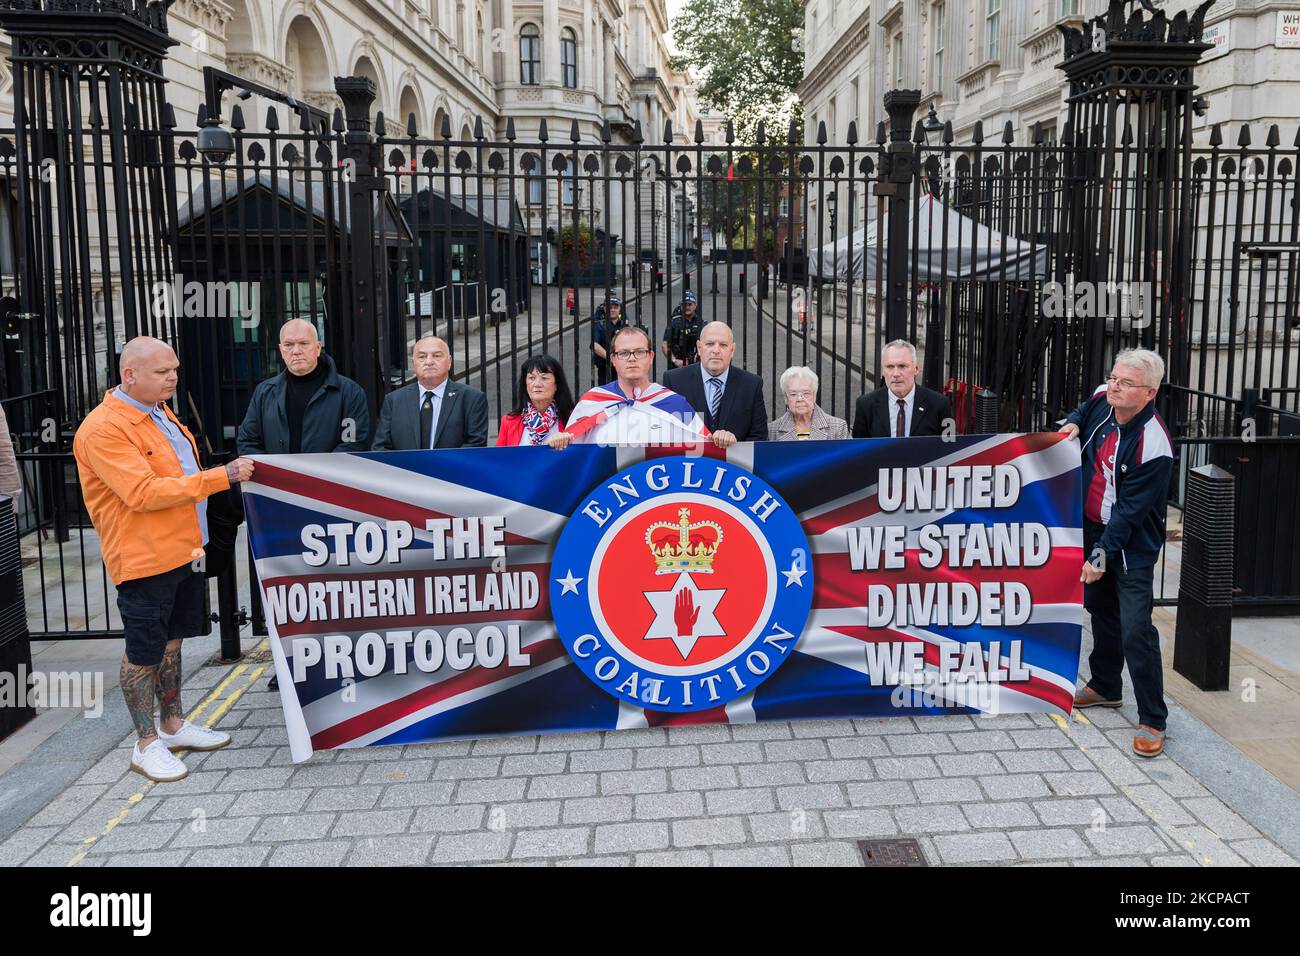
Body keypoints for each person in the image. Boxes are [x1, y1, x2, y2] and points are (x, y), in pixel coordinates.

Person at [73, 337, 255, 782]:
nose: (172, 377)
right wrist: (223, 476)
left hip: (184, 549)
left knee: (174, 641)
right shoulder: (104, 428)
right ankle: (145, 744)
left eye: (174, 369)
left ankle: (173, 726)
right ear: (129, 375)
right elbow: (142, 493)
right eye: (161, 372)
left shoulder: (160, 411)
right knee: (143, 652)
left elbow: (180, 473)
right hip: (143, 557)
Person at [1060, 348, 1174, 758]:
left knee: (1135, 627)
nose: (1114, 386)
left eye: (1126, 383)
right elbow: (1081, 408)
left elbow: (1129, 513)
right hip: (1091, 526)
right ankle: (1106, 685)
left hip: (1129, 544)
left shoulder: (1153, 444)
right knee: (1099, 608)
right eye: (1114, 377)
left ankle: (1153, 719)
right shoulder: (1101, 399)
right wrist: (1074, 424)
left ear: (1148, 393)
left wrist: (1101, 556)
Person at [552, 325, 723, 448]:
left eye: (639, 352)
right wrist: (559, 443)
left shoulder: (674, 403)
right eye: (624, 353)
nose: (632, 358)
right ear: (613, 359)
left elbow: (704, 450)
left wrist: (722, 440)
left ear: (651, 356)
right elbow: (572, 456)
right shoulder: (591, 403)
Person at [236, 319, 370, 456]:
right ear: (281, 351)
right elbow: (248, 442)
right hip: (276, 477)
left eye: (304, 343)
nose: (296, 351)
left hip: (326, 477)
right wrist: (273, 473)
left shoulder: (350, 392)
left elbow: (354, 445)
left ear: (318, 348)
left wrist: (312, 473)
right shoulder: (264, 392)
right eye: (288, 345)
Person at [372, 335, 488, 450]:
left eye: (437, 356)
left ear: (449, 362)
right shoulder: (394, 400)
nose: (429, 362)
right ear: (414, 363)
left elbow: (475, 446)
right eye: (422, 357)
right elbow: (381, 448)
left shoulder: (472, 399)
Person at [664, 321, 767, 444]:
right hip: (689, 462)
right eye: (710, 344)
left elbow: (759, 437)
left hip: (734, 463)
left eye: (723, 345)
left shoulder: (752, 385)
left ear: (732, 349)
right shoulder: (674, 381)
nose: (716, 350)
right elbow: (666, 433)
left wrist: (736, 446)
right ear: (699, 347)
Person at [852, 339, 953, 438]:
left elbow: (950, 446)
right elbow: (859, 450)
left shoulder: (940, 404)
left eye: (902, 366)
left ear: (916, 369)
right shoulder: (865, 405)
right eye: (890, 366)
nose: (896, 374)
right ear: (883, 371)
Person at [497, 354, 576, 446]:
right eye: (531, 378)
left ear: (556, 384)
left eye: (544, 378)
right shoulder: (509, 422)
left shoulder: (573, 419)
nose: (537, 384)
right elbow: (499, 458)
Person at [768, 366, 850, 441]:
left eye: (806, 393)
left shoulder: (838, 427)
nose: (800, 399)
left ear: (814, 395)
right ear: (786, 398)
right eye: (793, 394)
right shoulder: (772, 430)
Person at [590, 293, 627, 384]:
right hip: (605, 367)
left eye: (615, 307)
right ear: (605, 309)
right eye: (610, 307)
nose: (612, 310)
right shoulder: (600, 325)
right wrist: (611, 358)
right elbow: (595, 345)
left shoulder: (625, 326)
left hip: (623, 367)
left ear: (619, 309)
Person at [661, 289, 703, 368]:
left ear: (695, 306)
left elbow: (707, 343)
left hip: (696, 363)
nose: (687, 307)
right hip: (677, 364)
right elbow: (664, 345)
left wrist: (699, 355)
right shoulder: (674, 322)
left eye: (690, 304)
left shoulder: (701, 323)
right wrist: (674, 360)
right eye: (684, 304)